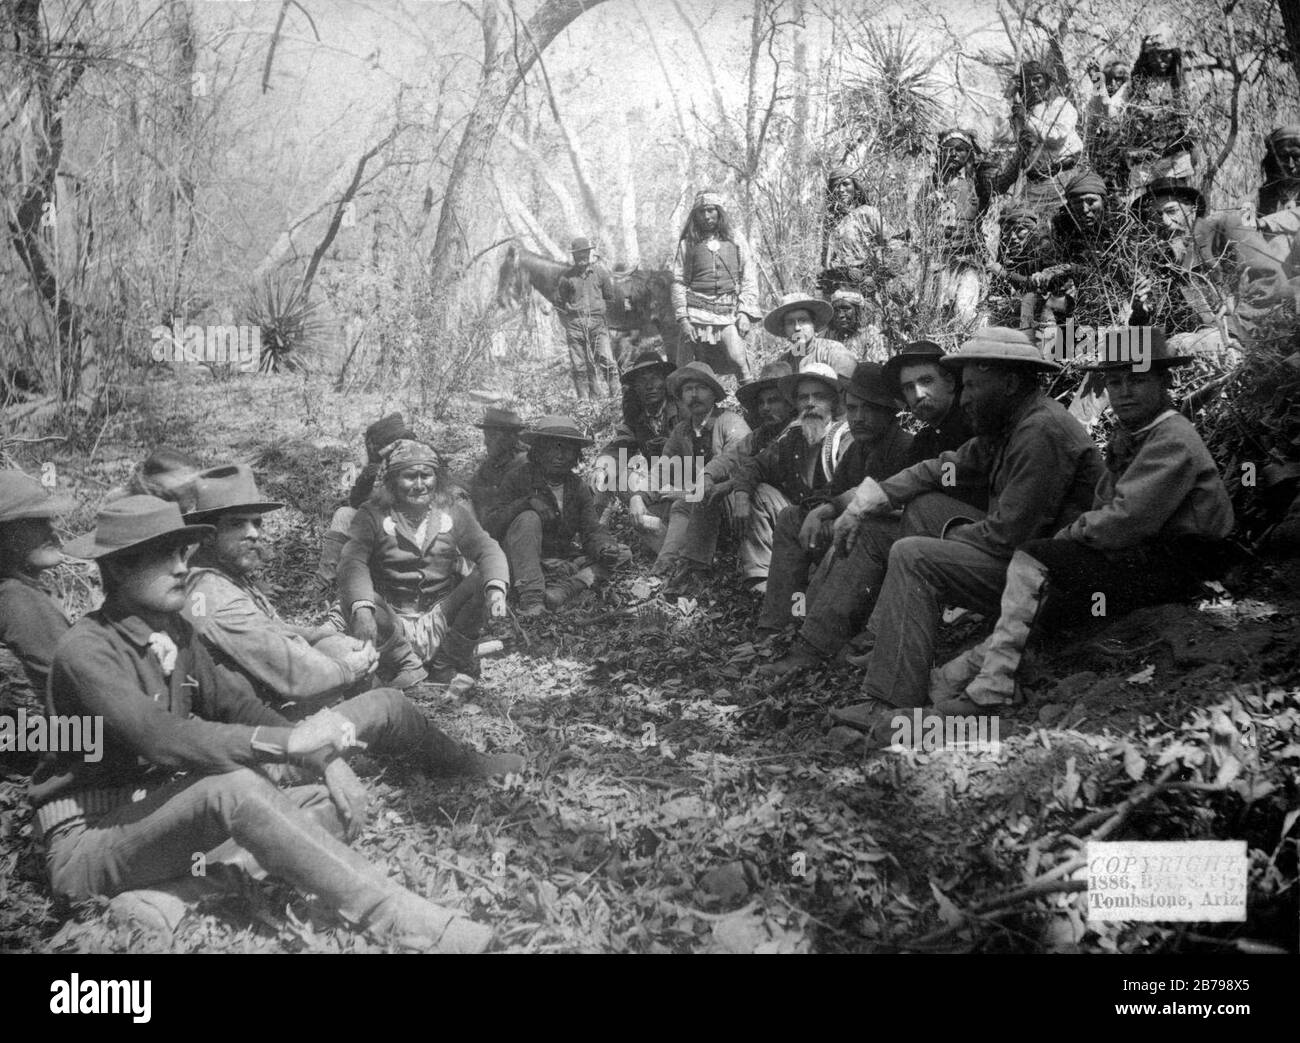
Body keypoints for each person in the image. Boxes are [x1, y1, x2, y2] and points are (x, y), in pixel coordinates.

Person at [31, 495, 492, 952]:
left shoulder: (174, 628)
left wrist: (323, 759)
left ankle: (178, 894)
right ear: (118, 569)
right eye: (161, 557)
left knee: (321, 799)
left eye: (180, 553)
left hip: (150, 816)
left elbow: (235, 706)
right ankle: (395, 916)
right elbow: (163, 739)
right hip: (89, 841)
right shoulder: (86, 650)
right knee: (235, 788)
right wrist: (290, 740)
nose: (179, 567)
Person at [761, 327, 1102, 681]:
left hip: (1054, 581)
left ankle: (886, 673)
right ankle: (816, 647)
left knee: (915, 547)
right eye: (908, 388)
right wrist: (866, 502)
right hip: (1019, 563)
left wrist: (939, 540)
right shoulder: (1006, 427)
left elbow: (1010, 536)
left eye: (970, 386)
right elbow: (938, 468)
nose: (964, 398)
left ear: (1011, 384)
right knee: (892, 525)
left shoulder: (1039, 431)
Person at [925, 329, 1234, 717]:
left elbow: (1126, 519)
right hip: (1149, 554)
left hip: (1185, 561)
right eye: (1115, 381)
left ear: (1163, 381)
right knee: (1053, 596)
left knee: (1036, 558)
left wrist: (1070, 537)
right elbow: (1107, 501)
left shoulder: (1173, 438)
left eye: (1137, 380)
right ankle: (960, 674)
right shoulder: (1136, 434)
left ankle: (993, 684)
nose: (1124, 392)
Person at [177, 465, 521, 781]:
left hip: (267, 722)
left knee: (353, 662)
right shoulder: (214, 595)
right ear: (206, 535)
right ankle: (460, 766)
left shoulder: (218, 578)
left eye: (257, 523)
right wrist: (348, 667)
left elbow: (280, 635)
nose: (253, 534)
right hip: (265, 744)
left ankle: (391, 747)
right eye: (237, 524)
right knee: (388, 705)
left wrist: (328, 639)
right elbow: (299, 676)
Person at [755, 362, 914, 635]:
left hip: (883, 548)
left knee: (844, 529)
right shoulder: (859, 449)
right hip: (850, 534)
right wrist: (817, 509)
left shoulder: (904, 446)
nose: (860, 418)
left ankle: (813, 629)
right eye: (853, 408)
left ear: (891, 412)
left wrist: (825, 510)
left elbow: (879, 493)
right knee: (792, 517)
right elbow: (833, 489)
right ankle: (781, 620)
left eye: (871, 409)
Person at [338, 440, 509, 687]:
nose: (419, 485)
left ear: (436, 479)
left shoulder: (451, 512)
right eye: (410, 477)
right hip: (394, 618)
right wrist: (362, 609)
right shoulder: (372, 513)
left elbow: (486, 547)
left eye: (426, 476)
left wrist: (495, 589)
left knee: (486, 576)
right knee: (358, 597)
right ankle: (406, 663)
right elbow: (353, 560)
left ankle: (446, 661)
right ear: (393, 481)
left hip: (441, 612)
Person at [487, 417, 631, 616]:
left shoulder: (576, 486)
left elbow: (592, 529)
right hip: (520, 564)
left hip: (559, 562)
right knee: (528, 518)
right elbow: (491, 527)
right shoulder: (518, 478)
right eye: (552, 448)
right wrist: (525, 503)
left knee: (622, 553)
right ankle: (532, 600)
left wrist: (604, 547)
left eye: (567, 449)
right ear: (538, 451)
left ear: (575, 455)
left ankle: (563, 590)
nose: (560, 456)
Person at [651, 362, 751, 587]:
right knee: (656, 508)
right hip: (699, 504)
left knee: (686, 503)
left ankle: (682, 568)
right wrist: (639, 495)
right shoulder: (682, 430)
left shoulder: (730, 422)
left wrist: (704, 478)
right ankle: (674, 561)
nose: (694, 395)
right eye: (688, 390)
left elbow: (734, 457)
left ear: (714, 393)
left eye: (701, 388)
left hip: (733, 501)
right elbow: (662, 467)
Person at [593, 351, 684, 551]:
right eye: (642, 381)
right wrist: (602, 470)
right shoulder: (636, 419)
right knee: (611, 474)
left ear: (666, 381)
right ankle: (594, 532)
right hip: (657, 488)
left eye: (655, 378)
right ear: (634, 388)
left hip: (689, 486)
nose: (649, 386)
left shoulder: (683, 410)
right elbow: (617, 449)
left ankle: (673, 543)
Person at [0, 469, 75, 702]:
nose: (52, 531)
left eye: (48, 519)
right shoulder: (18, 599)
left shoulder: (22, 592)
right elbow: (84, 680)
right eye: (35, 523)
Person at [317, 412, 414, 587]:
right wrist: (369, 473)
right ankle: (325, 584)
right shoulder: (374, 465)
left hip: (407, 532)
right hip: (384, 526)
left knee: (346, 516)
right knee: (344, 515)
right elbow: (355, 500)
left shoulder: (413, 459)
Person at [670, 189, 758, 382]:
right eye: (701, 212)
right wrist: (684, 319)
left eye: (711, 210)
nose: (706, 216)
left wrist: (744, 312)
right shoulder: (687, 244)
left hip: (728, 311)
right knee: (694, 368)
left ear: (719, 212)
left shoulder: (735, 239)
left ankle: (752, 403)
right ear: (695, 215)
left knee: (739, 359)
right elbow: (678, 281)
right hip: (696, 312)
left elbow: (749, 276)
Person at [993, 61, 1084, 222]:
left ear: (1047, 82)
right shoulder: (1022, 114)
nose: (1032, 86)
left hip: (1061, 183)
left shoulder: (1061, 105)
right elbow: (1000, 136)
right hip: (1033, 189)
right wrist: (1007, 98)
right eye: (1027, 82)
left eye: (1037, 79)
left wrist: (1026, 119)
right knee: (1031, 235)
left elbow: (1055, 136)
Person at [922, 128, 989, 322]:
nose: (953, 153)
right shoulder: (930, 184)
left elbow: (999, 178)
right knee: (935, 313)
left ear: (968, 152)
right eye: (948, 148)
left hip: (968, 259)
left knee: (965, 312)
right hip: (938, 261)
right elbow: (918, 221)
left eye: (960, 149)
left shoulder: (977, 181)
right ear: (940, 152)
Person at [819, 165, 907, 295]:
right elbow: (824, 260)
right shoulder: (830, 222)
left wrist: (877, 278)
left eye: (845, 184)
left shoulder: (868, 213)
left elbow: (896, 247)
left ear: (855, 186)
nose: (841, 190)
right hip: (835, 292)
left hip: (863, 289)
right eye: (836, 186)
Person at [557, 237, 621, 400]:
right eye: (577, 254)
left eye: (584, 253)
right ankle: (584, 402)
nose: (581, 257)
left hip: (597, 324)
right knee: (579, 366)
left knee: (607, 360)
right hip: (575, 326)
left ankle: (616, 398)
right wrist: (570, 320)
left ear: (589, 253)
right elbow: (560, 303)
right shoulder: (566, 278)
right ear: (573, 256)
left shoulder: (601, 273)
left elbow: (610, 298)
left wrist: (604, 317)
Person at [762, 293, 857, 376]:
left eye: (803, 320)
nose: (797, 328)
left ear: (813, 324)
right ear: (784, 328)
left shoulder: (834, 352)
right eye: (790, 322)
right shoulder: (783, 363)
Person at [987, 206, 1046, 329]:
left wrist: (1004, 274)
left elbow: (1040, 285)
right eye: (1008, 232)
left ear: (1031, 232)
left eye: (1019, 230)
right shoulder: (1010, 251)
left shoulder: (1044, 249)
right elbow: (998, 288)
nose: (1012, 236)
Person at [468, 406, 528, 521]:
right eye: (486, 435)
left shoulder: (525, 464)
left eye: (493, 436)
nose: (486, 442)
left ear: (510, 438)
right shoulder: (491, 464)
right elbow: (474, 486)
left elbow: (502, 498)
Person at [827, 288, 887, 362]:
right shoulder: (832, 335)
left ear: (858, 311)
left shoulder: (870, 334)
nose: (840, 315)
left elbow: (874, 366)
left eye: (846, 309)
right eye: (836, 310)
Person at [1258, 125, 1300, 218]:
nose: (1291, 165)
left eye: (1296, 157)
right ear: (1273, 159)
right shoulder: (1260, 197)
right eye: (1284, 157)